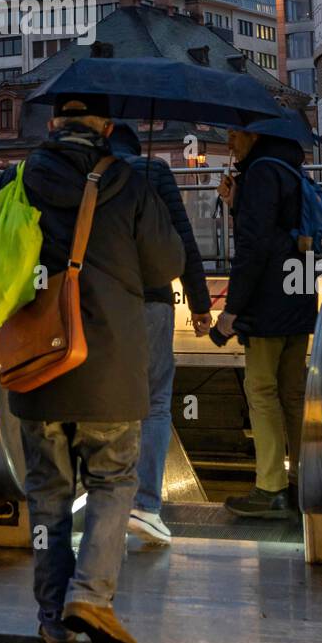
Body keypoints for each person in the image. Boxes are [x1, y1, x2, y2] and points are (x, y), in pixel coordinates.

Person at [0, 94, 184, 643]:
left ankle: (53, 620)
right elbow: (168, 266)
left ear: (54, 125)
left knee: (48, 498)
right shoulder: (131, 181)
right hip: (110, 369)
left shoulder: (15, 180)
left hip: (36, 368)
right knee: (113, 484)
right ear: (106, 128)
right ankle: (90, 594)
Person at [108, 124, 212, 547]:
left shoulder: (91, 175)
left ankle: (106, 502)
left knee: (104, 403)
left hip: (98, 305)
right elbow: (183, 238)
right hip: (150, 301)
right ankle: (146, 506)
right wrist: (201, 302)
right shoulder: (154, 172)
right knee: (153, 403)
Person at [214, 120, 315, 518]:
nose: (229, 142)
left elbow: (253, 248)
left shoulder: (260, 172)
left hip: (269, 303)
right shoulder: (292, 167)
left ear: (254, 133)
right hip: (300, 294)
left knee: (261, 391)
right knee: (292, 394)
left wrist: (232, 311)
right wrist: (238, 204)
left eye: (234, 134)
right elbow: (281, 232)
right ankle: (302, 482)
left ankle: (269, 487)